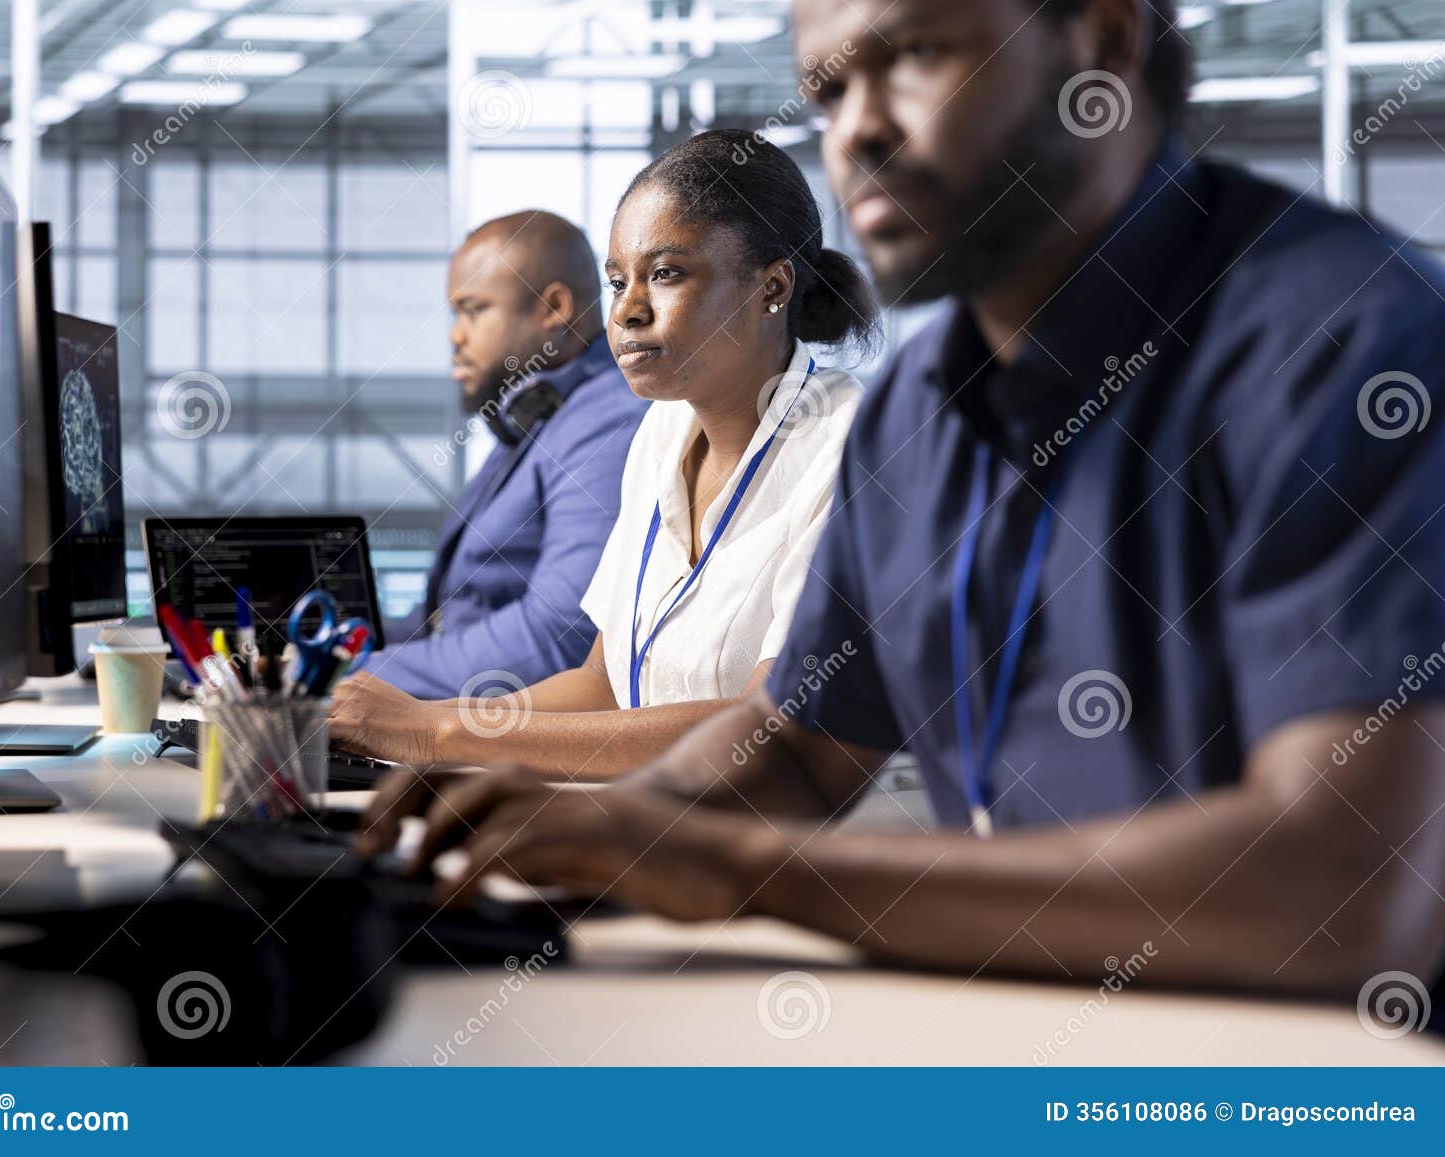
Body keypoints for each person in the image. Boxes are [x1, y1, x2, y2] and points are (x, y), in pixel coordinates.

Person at [354, 0, 1445, 1009]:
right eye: (828, 90)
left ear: (1101, 45)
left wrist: (736, 865)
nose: (857, 132)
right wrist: (576, 829)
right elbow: (794, 746)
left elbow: (1343, 879)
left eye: (914, 54)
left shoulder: (1339, 339)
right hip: (1044, 1025)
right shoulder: (921, 412)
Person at [329, 131, 878, 779]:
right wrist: (406, 724)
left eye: (667, 273)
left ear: (773, 287)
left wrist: (434, 731)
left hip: (799, 859)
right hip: (651, 833)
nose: (628, 311)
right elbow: (603, 685)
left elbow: (774, 723)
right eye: (619, 281)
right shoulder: (661, 432)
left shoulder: (853, 446)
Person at [361, 211, 648, 699]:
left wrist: (340, 678)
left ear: (553, 307)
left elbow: (558, 637)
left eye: (473, 310)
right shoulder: (535, 424)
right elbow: (443, 618)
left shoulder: (606, 422)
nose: (455, 336)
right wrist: (327, 652)